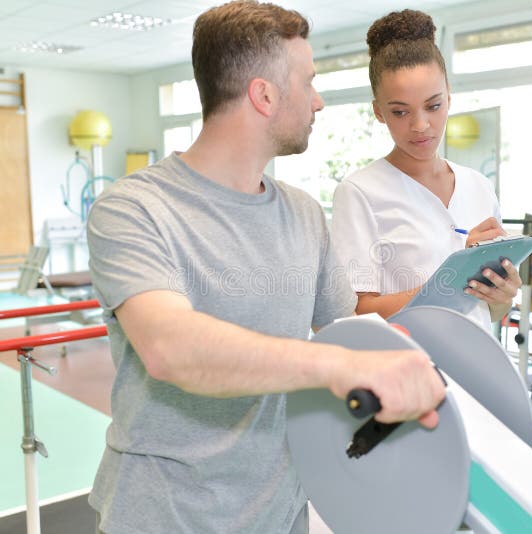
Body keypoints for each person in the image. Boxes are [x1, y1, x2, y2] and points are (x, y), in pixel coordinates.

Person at [85, 2, 446, 533]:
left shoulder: (303, 213)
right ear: (264, 95)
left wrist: (458, 293)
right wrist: (339, 367)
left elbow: (353, 332)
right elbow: (170, 348)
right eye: (309, 82)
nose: (319, 101)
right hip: (164, 517)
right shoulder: (134, 209)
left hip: (281, 515)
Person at [331, 9, 521, 330]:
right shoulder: (359, 192)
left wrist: (502, 294)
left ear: (449, 97)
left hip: (476, 367)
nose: (420, 126)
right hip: (407, 370)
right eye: (400, 111)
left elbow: (492, 312)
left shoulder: (477, 186)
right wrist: (455, 277)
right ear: (379, 112)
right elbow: (353, 314)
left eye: (433, 106)